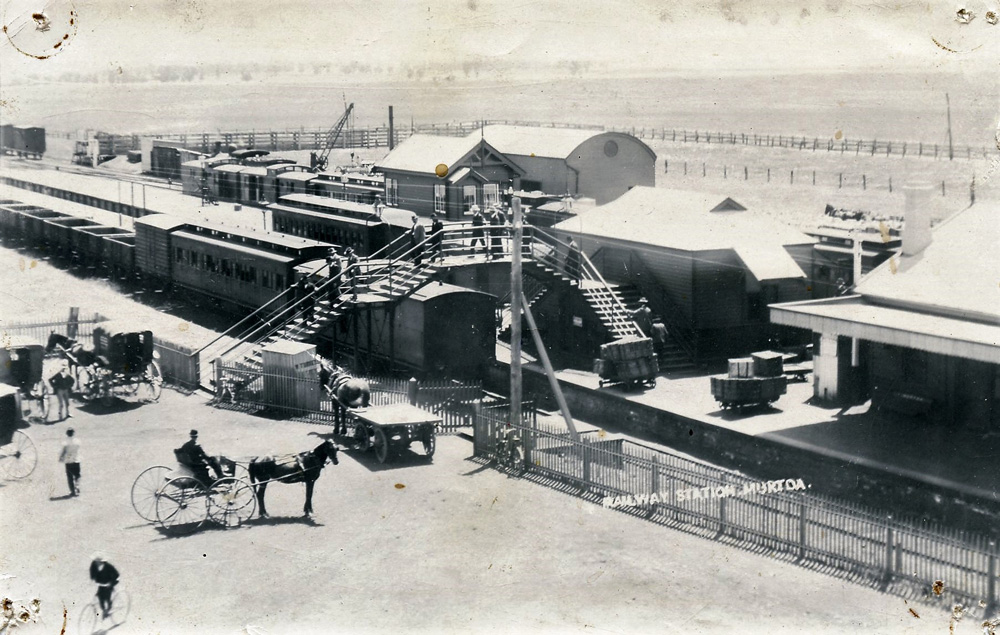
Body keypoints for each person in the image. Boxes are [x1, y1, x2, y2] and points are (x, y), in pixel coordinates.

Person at [89, 555, 119, 619]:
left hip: (109, 582)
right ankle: (104, 610)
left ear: (102, 561)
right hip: (101, 584)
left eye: (98, 561)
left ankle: (109, 608)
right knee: (100, 597)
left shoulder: (108, 567)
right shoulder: (93, 565)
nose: (97, 563)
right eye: (96, 561)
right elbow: (92, 573)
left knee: (107, 597)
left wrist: (110, 583)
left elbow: (116, 574)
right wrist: (92, 580)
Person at [59, 428, 81, 496]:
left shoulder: (66, 442)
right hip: (76, 459)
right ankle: (77, 485)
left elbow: (64, 451)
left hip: (68, 461)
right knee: (77, 475)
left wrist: (61, 457)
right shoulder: (77, 441)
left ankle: (72, 491)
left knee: (70, 477)